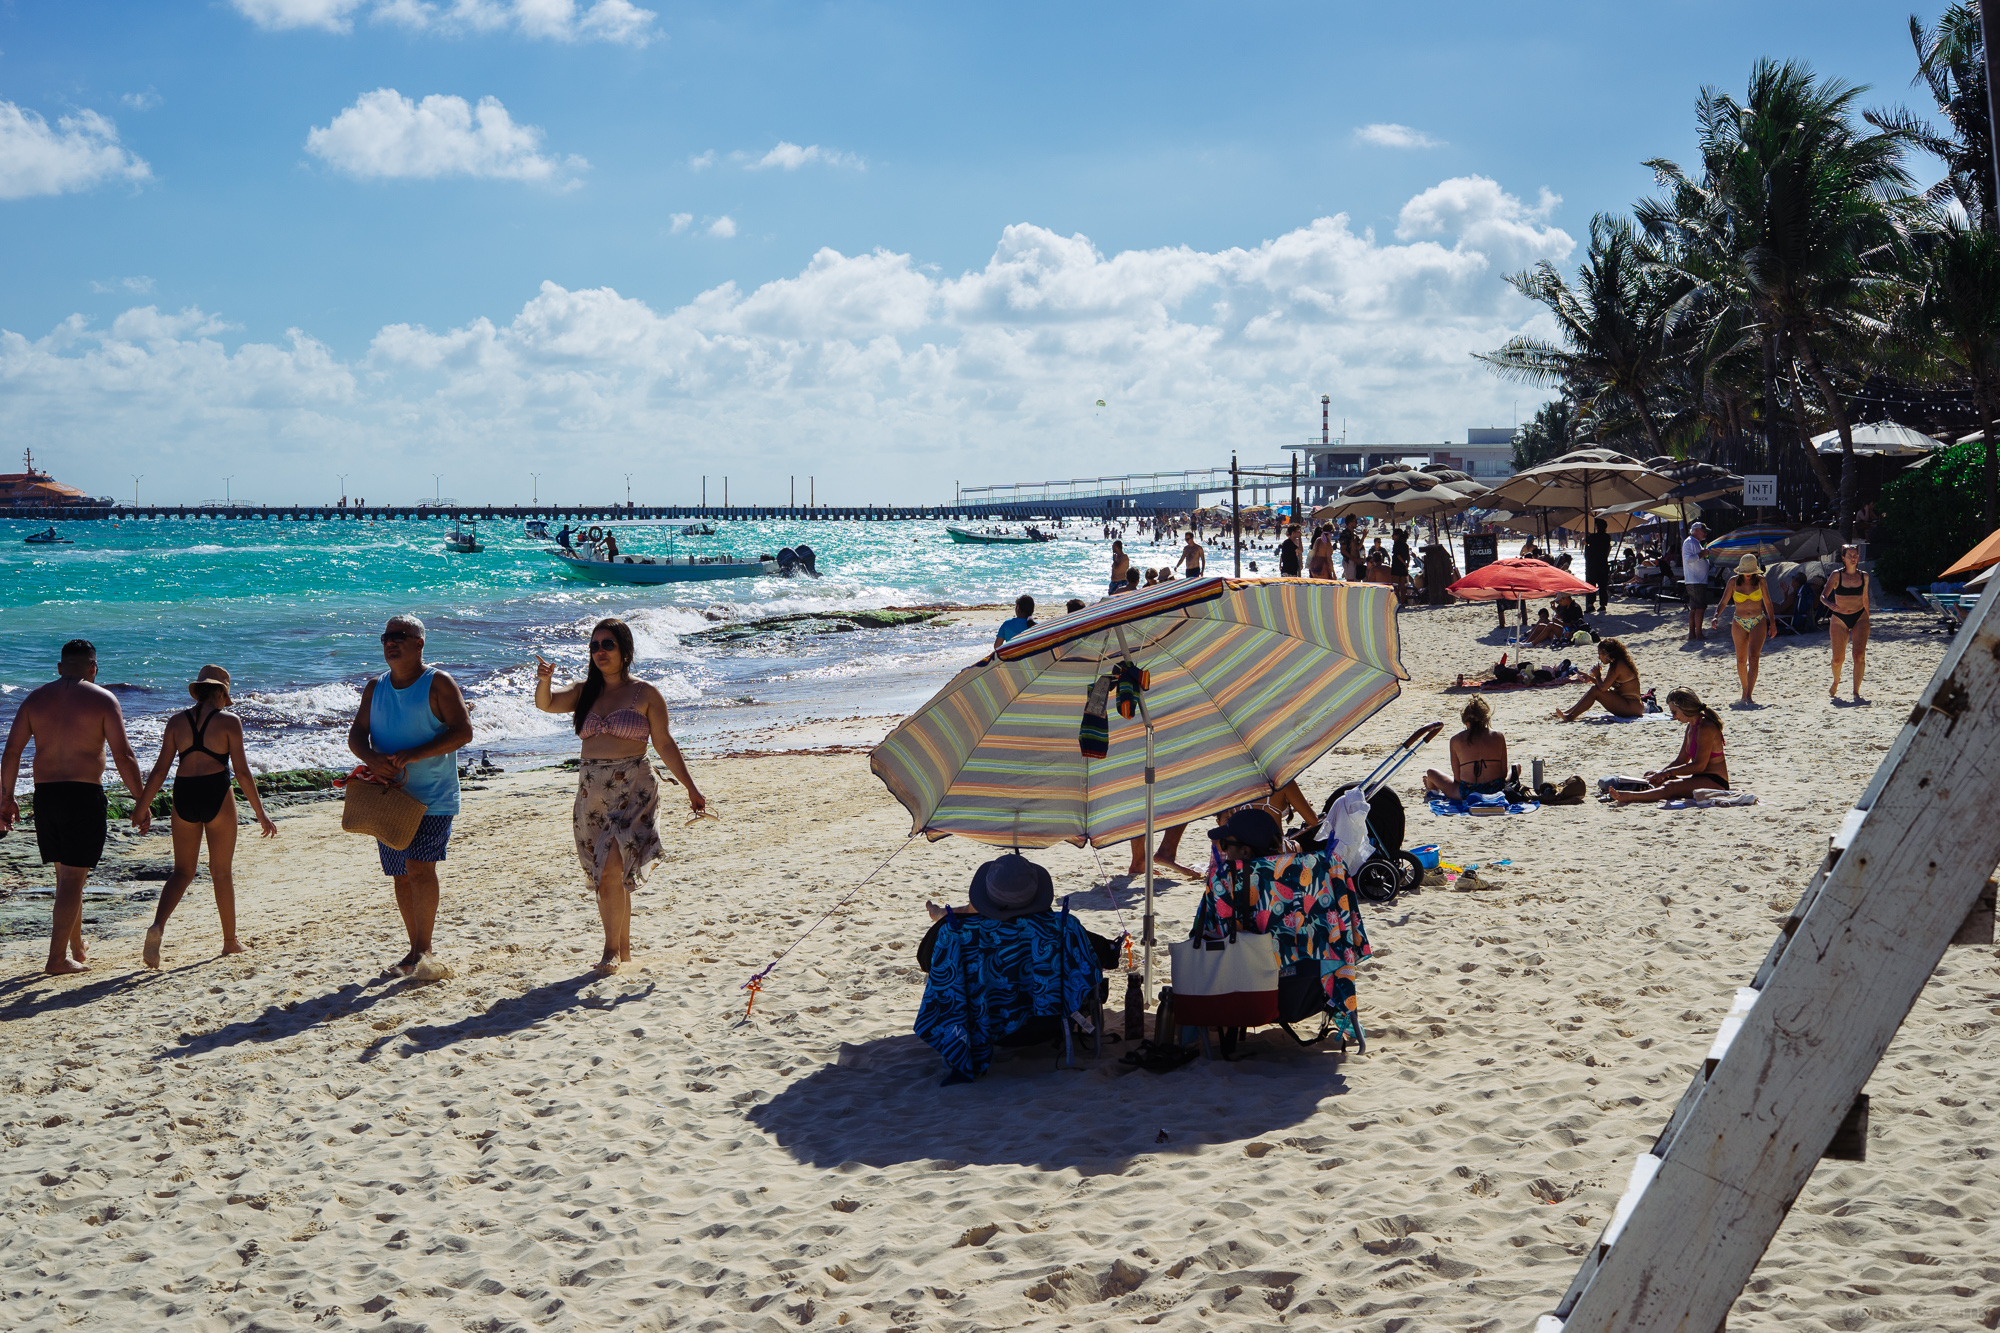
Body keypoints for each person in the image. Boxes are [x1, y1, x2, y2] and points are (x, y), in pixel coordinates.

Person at [535, 618, 706, 975]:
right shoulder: (583, 691)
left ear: (625, 650)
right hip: (592, 793)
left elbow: (664, 743)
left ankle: (610, 951)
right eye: (594, 646)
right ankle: (623, 951)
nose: (600, 651)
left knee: (613, 866)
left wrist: (690, 786)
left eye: (607, 644)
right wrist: (545, 680)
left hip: (634, 789)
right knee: (607, 873)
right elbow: (546, 704)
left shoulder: (645, 694)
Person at [0, 639, 151, 974]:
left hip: (45, 796)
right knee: (72, 877)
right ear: (93, 668)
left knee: (67, 875)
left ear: (59, 667)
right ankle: (56, 959)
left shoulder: (34, 699)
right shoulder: (103, 699)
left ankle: (76, 946)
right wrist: (141, 799)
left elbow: (10, 753)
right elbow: (124, 755)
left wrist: (6, 798)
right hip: (82, 796)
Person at [346, 614, 473, 980]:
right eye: (386, 637)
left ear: (419, 643)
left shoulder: (438, 682)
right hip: (388, 797)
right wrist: (371, 759)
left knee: (419, 868)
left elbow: (463, 732)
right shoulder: (375, 687)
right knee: (401, 874)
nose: (390, 642)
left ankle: (424, 949)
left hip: (432, 796)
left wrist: (414, 755)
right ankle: (414, 947)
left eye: (399, 636)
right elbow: (357, 735)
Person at [132, 666, 279, 970]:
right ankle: (230, 941)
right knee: (220, 871)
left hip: (184, 793)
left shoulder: (176, 722)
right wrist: (261, 813)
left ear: (199, 690)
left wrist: (142, 807)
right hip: (216, 792)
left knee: (182, 871)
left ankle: (158, 925)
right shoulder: (229, 722)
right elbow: (242, 772)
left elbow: (159, 771)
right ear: (221, 692)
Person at [1609, 689, 1729, 804]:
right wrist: (1661, 773)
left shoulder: (1706, 727)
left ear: (1684, 708)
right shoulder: (1691, 726)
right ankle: (1636, 789)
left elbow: (1699, 766)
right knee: (1651, 774)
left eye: (1674, 712)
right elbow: (1681, 760)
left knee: (1670, 786)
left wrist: (1668, 773)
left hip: (1716, 782)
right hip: (1699, 778)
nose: (1673, 717)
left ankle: (1630, 796)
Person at [1713, 554, 1775, 704]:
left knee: (1753, 657)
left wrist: (1773, 623)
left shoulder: (1761, 581)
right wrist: (1716, 616)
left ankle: (1749, 695)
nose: (1748, 574)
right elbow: (1723, 601)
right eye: (1745, 571)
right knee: (1741, 660)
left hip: (1758, 620)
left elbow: (1767, 602)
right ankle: (1744, 689)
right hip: (1739, 622)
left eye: (1750, 571)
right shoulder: (1733, 581)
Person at [1423, 696, 1508, 799]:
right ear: (1486, 719)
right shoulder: (1498, 736)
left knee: (1431, 773)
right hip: (1496, 789)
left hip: (1467, 792)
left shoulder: (1456, 740)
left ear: (1465, 721)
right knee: (1516, 767)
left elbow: (1457, 779)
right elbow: (1503, 773)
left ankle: (1433, 792)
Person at [1822, 543, 1871, 703]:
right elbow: (1823, 596)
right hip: (1839, 618)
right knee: (1838, 659)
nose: (1853, 558)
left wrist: (1868, 617)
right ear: (1843, 558)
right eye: (1849, 555)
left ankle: (1856, 691)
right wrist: (1830, 604)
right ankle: (1836, 681)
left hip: (1860, 617)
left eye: (1855, 555)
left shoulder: (1864, 576)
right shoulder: (1836, 575)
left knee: (1859, 655)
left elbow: (1865, 598)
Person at [1552, 637, 1644, 722]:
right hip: (1629, 705)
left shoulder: (1618, 665)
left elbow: (1603, 688)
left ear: (1607, 654)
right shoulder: (1616, 663)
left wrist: (1597, 676)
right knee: (1595, 689)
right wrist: (1591, 679)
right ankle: (1568, 713)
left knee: (1595, 690)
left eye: (1600, 654)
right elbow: (1605, 685)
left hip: (1631, 706)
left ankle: (1570, 716)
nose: (1599, 657)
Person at [1681, 522, 1711, 642]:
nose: (1705, 534)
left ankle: (1693, 634)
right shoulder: (1690, 542)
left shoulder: (1694, 542)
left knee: (1694, 608)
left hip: (1696, 580)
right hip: (1696, 580)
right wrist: (1702, 554)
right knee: (1700, 607)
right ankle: (1698, 634)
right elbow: (1688, 559)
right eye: (1704, 531)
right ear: (1697, 530)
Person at [1584, 517, 1613, 615]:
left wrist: (1589, 536)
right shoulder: (1607, 537)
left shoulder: (1592, 537)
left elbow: (1585, 542)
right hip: (1603, 563)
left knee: (1591, 585)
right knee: (1602, 586)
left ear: (1597, 527)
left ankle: (1590, 604)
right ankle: (1602, 605)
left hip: (1592, 564)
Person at [1339, 516, 1363, 581]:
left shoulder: (1353, 534)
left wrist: (1363, 537)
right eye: (1355, 521)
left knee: (1357, 581)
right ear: (1350, 523)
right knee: (1351, 582)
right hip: (1350, 561)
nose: (1357, 523)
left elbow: (1357, 548)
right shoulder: (1345, 534)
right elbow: (1343, 551)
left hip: (1355, 561)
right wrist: (1354, 560)